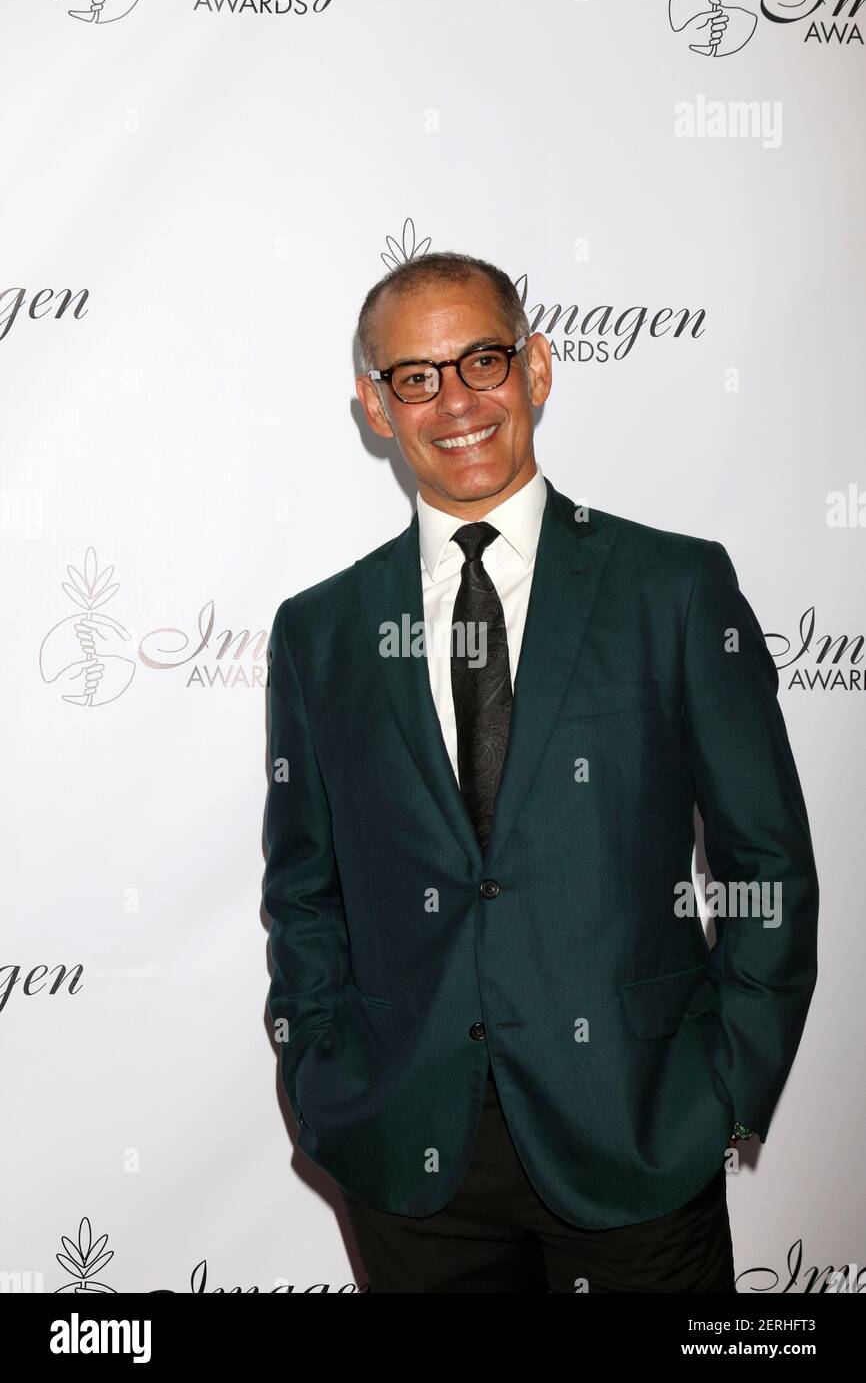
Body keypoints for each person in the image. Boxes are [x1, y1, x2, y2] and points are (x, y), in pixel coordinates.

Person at [263, 251, 819, 1293]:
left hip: (636, 1134)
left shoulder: (672, 586)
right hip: (408, 1155)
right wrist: (328, 1082)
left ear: (538, 368)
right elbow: (302, 889)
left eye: (481, 359)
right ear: (374, 408)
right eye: (415, 376)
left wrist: (724, 1091)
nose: (455, 400)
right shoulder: (320, 631)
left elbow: (764, 862)